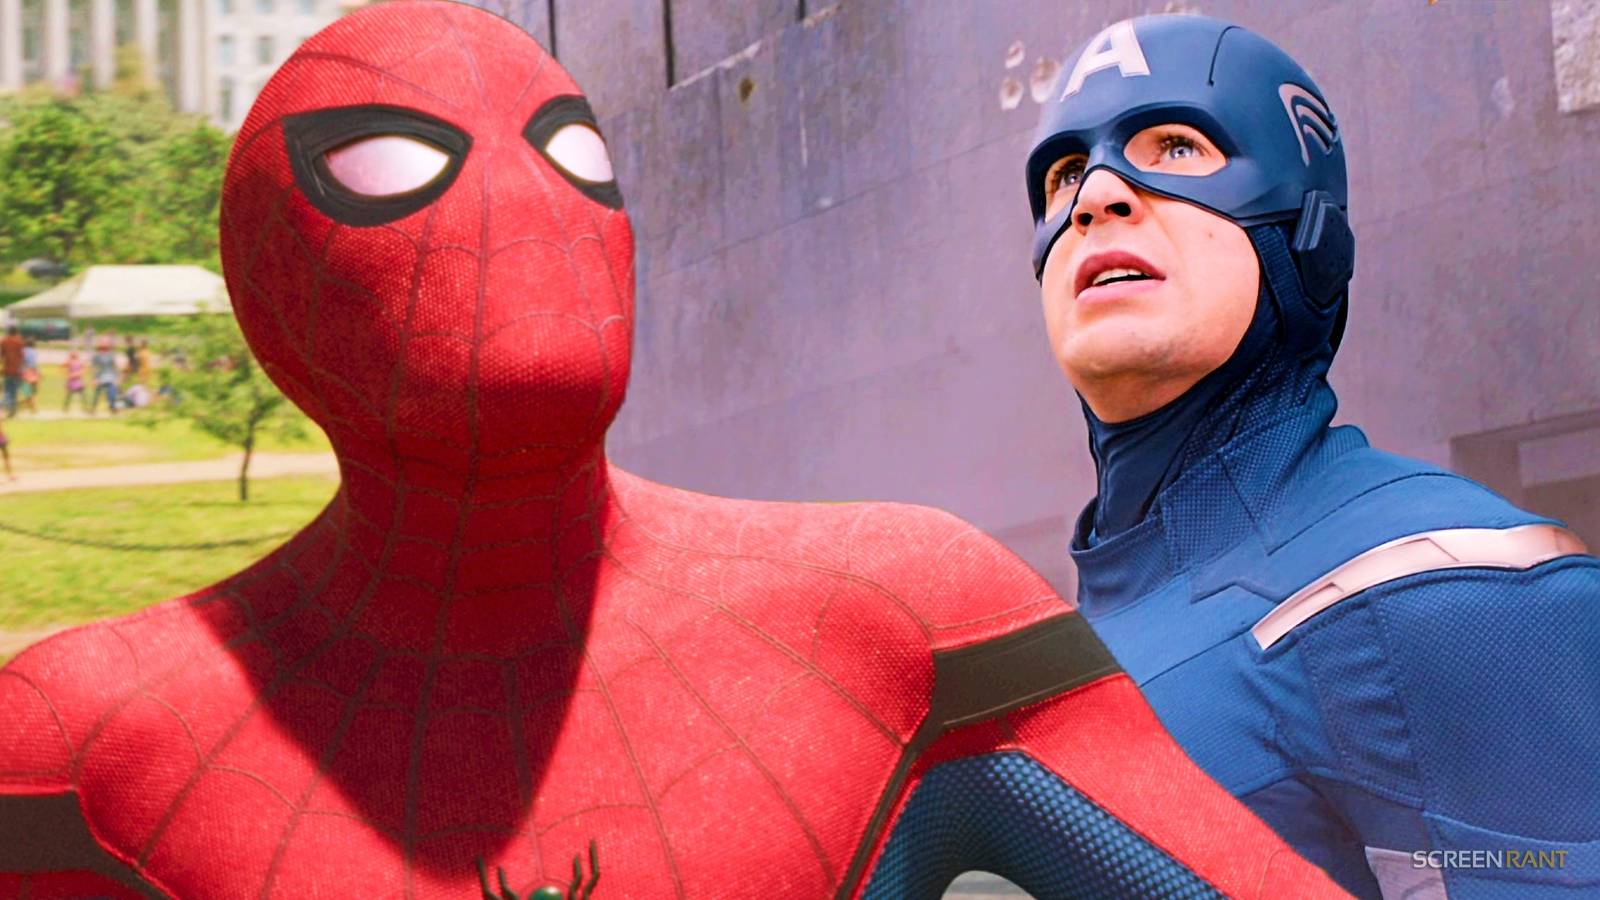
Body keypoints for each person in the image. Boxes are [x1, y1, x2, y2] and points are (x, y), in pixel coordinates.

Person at [0, 5, 1347, 898]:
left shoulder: (900, 623)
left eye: (570, 152)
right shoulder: (80, 743)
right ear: (269, 278)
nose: (520, 206)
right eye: (392, 163)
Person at [1026, 14, 1600, 899]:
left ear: (1303, 231)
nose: (1096, 196)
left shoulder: (1446, 586)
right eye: (1065, 172)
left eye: (1175, 146)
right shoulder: (1049, 640)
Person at [88, 338, 119, 415]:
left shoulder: (111, 354)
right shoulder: (97, 355)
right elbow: (93, 367)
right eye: (103, 343)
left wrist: (117, 377)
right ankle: (93, 409)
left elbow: (115, 366)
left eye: (106, 343)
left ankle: (113, 408)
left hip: (110, 377)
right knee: (97, 393)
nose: (105, 345)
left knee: (112, 393)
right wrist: (94, 378)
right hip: (100, 377)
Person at [0, 325, 22, 416]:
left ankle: (11, 410)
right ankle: (11, 410)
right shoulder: (19, 342)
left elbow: (1, 356)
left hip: (7, 369)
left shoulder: (4, 341)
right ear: (16, 332)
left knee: (7, 390)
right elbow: (21, 356)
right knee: (13, 391)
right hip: (16, 370)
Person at [18, 338, 39, 414]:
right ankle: (33, 408)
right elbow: (34, 364)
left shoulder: (23, 350)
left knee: (27, 392)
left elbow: (21, 362)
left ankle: (31, 408)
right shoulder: (34, 352)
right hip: (33, 373)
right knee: (33, 393)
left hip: (25, 373)